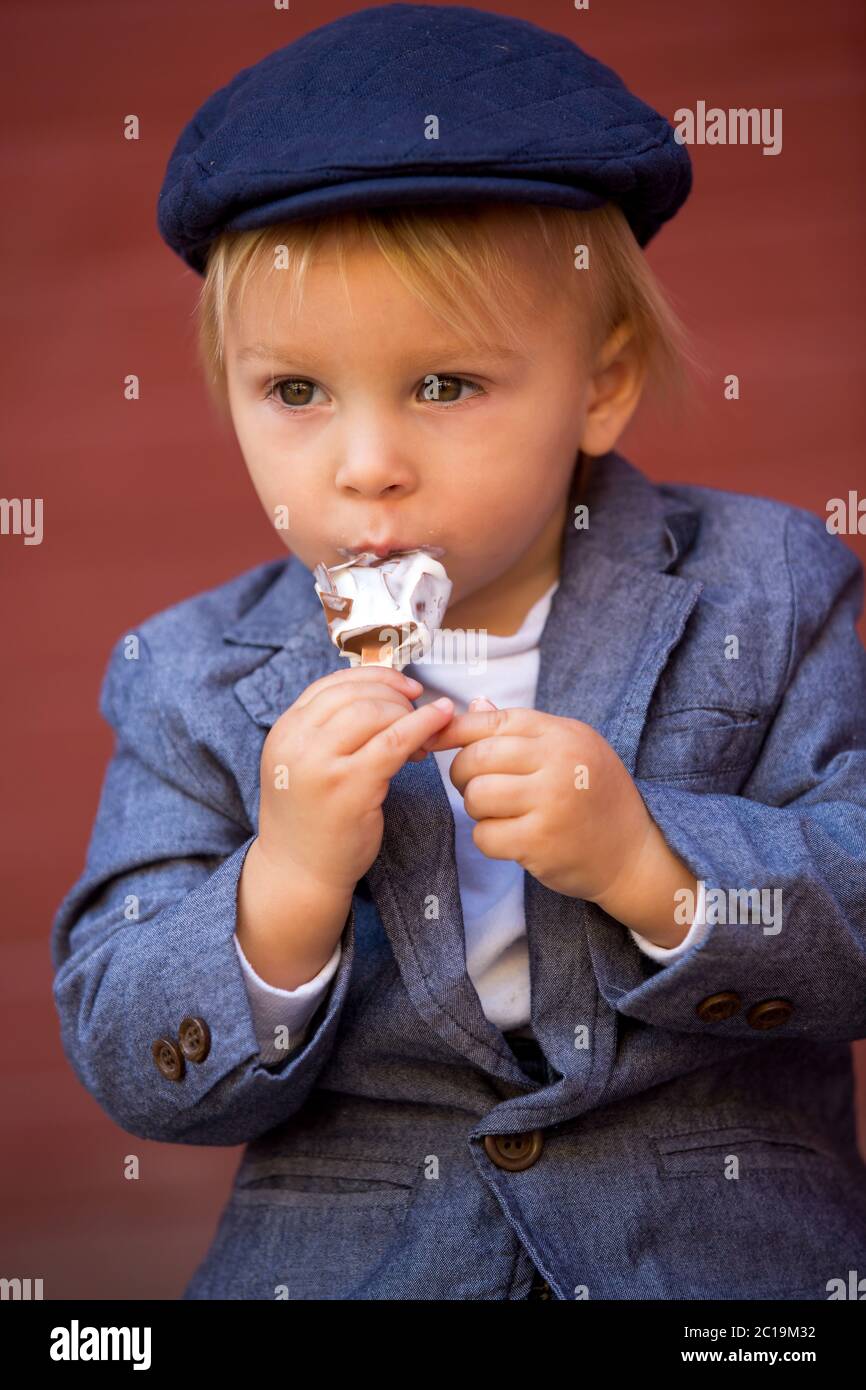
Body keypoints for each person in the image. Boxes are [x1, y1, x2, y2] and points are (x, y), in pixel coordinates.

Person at [51, 4, 866, 1300]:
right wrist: (287, 878)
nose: (365, 462)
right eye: (295, 392)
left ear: (598, 384)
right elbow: (125, 1043)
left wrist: (647, 859)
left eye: (442, 385)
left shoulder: (757, 589)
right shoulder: (189, 670)